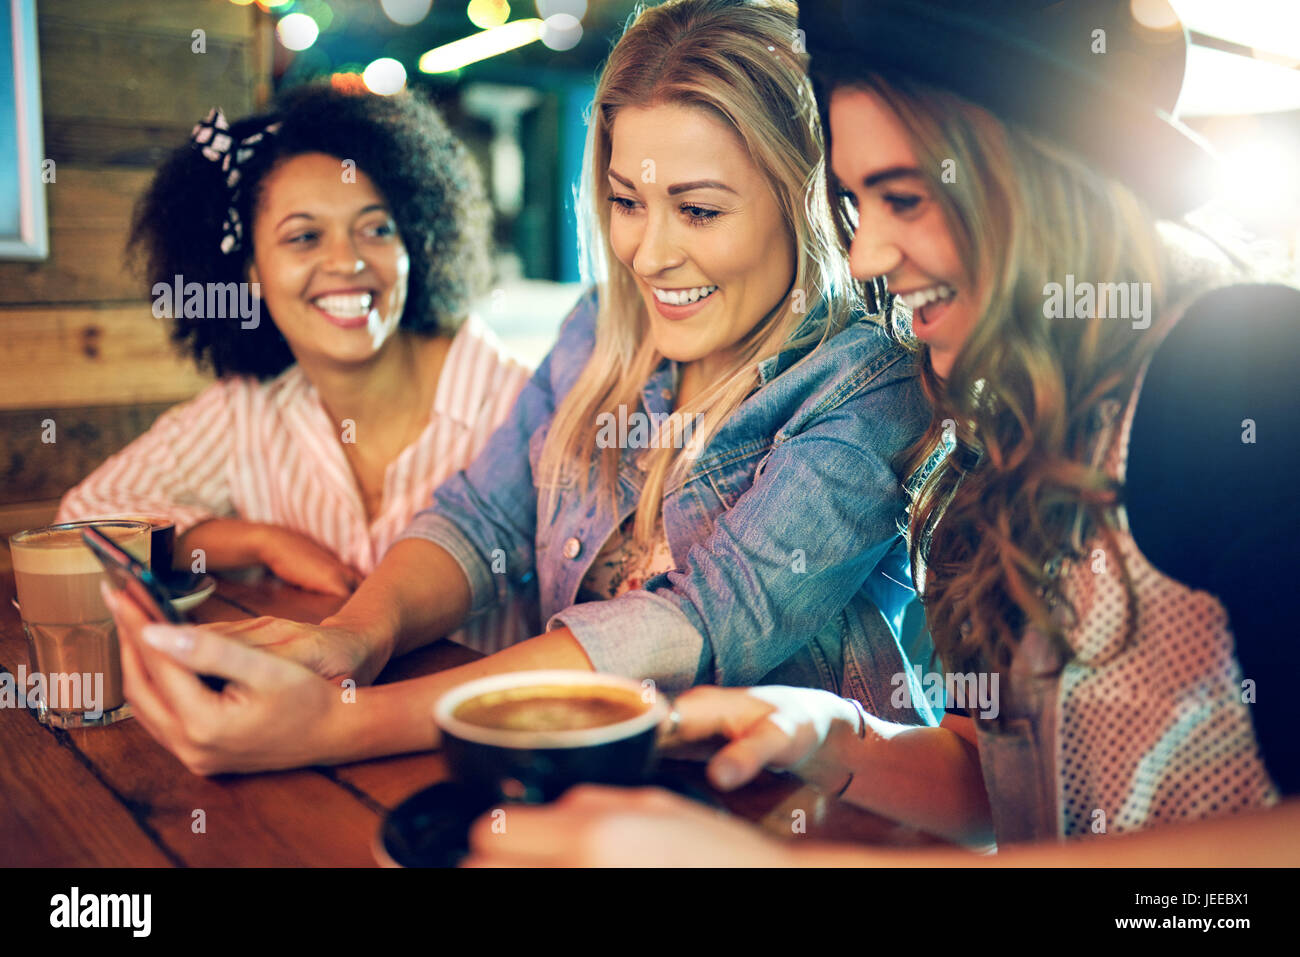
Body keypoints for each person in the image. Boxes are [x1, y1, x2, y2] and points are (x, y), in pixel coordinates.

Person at [460, 0, 1300, 866]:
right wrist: (835, 735)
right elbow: (997, 791)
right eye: (861, 205)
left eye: (905, 197)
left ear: (1043, 181)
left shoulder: (1235, 365)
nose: (865, 257)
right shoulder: (996, 421)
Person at [100, 0, 941, 776]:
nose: (646, 255)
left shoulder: (868, 385)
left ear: (807, 205)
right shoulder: (598, 335)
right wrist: (354, 637)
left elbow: (698, 619)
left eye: (698, 211)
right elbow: (479, 518)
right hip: (598, 801)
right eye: (626, 201)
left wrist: (342, 724)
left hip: (807, 828)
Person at [58, 84, 534, 654]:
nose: (348, 261)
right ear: (250, 272)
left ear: (418, 242)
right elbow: (83, 522)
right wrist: (258, 542)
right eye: (305, 237)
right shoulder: (249, 410)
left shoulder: (523, 404)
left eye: (377, 228)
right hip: (310, 727)